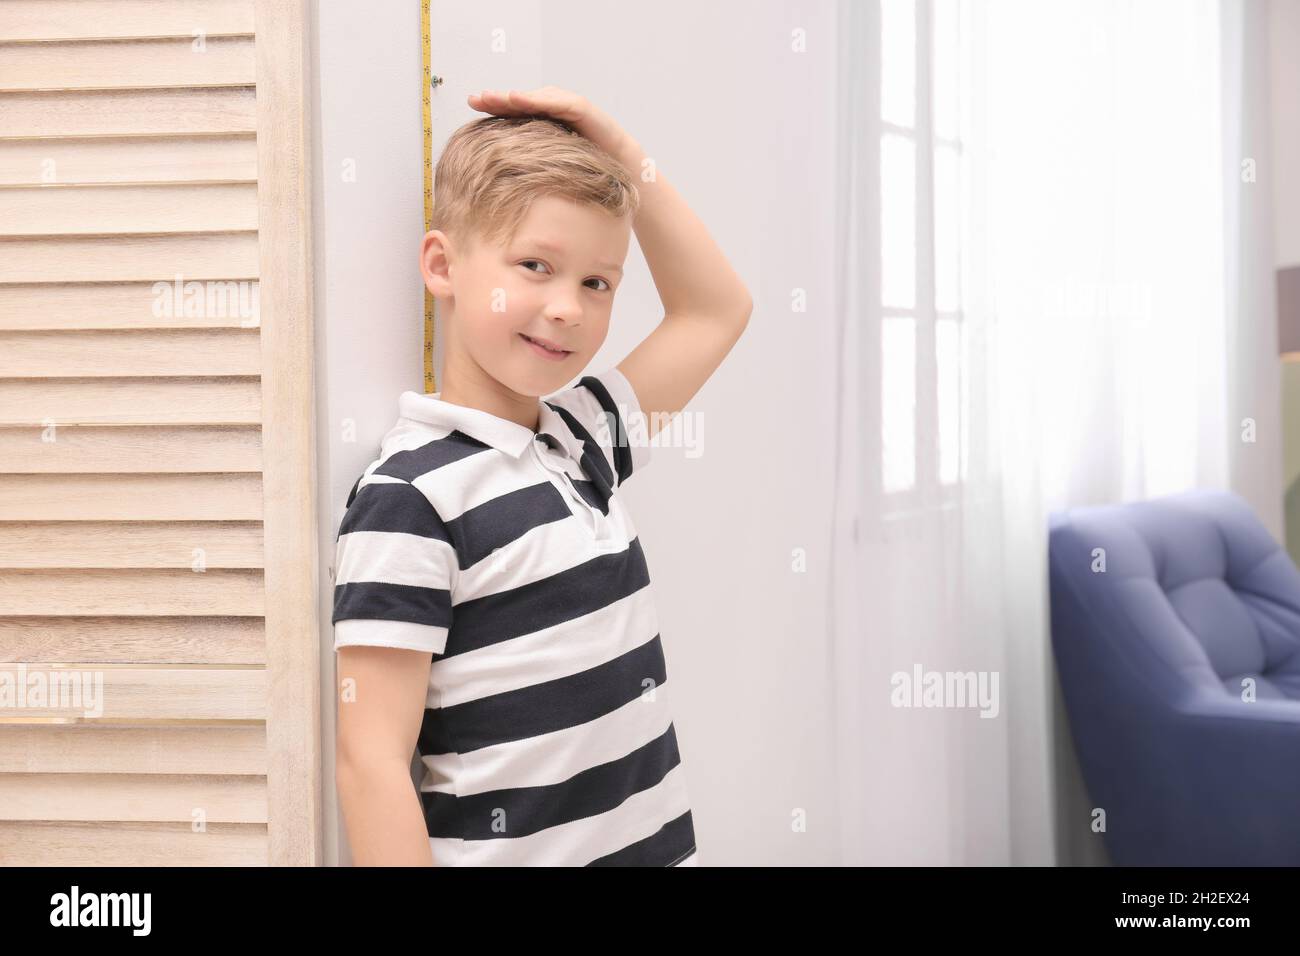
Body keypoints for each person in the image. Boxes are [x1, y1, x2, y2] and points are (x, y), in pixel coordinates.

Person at [332, 87, 752, 865]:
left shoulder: (581, 444)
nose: (567, 308)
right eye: (536, 266)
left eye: (597, 283)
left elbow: (715, 309)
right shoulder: (412, 497)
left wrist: (624, 151)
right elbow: (371, 762)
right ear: (442, 264)